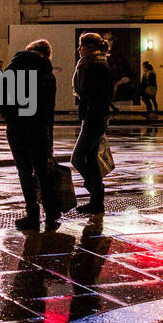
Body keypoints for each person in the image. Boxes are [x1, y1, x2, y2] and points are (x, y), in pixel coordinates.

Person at [2, 39, 60, 232]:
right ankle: (51, 214)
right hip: (38, 127)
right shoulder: (47, 73)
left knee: (25, 172)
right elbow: (49, 110)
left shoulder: (13, 67)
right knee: (43, 171)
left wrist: (10, 117)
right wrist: (49, 136)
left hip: (17, 127)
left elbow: (2, 97)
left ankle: (32, 215)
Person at [71, 32, 114, 216]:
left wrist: (90, 117)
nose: (79, 49)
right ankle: (96, 203)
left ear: (90, 47)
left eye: (81, 45)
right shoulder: (92, 64)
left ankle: (96, 191)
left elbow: (97, 97)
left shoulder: (95, 66)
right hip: (93, 118)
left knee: (77, 158)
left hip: (93, 119)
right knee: (91, 160)